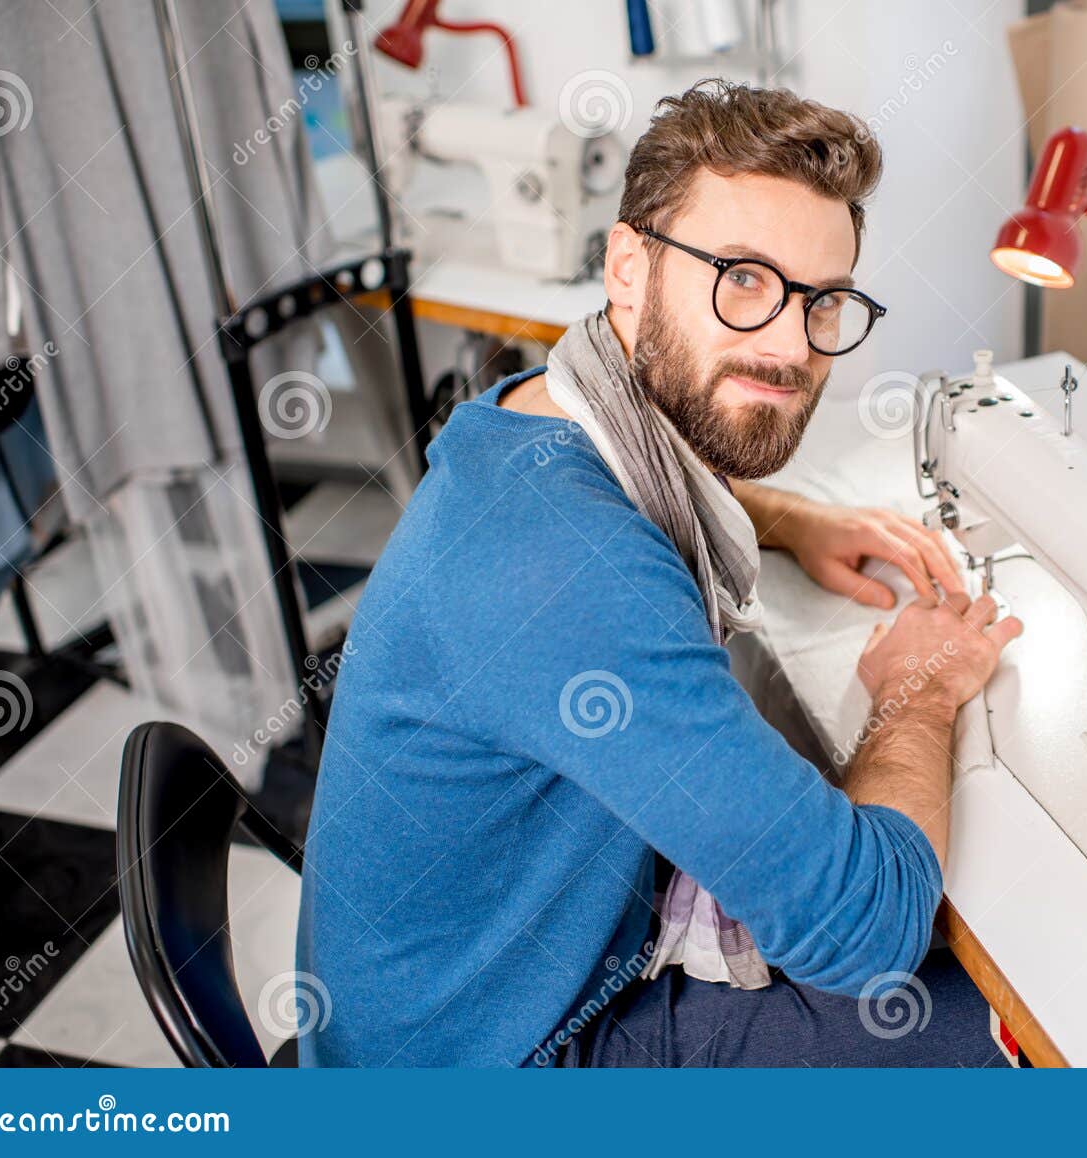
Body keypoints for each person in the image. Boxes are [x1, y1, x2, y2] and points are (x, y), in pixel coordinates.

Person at [297, 79, 1022, 1067]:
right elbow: (863, 928)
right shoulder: (571, 573)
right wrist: (919, 695)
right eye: (742, 278)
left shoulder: (542, 418)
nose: (787, 344)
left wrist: (789, 517)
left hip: (445, 1004)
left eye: (824, 301)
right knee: (982, 1025)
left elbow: (642, 479)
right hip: (498, 1059)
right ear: (628, 269)